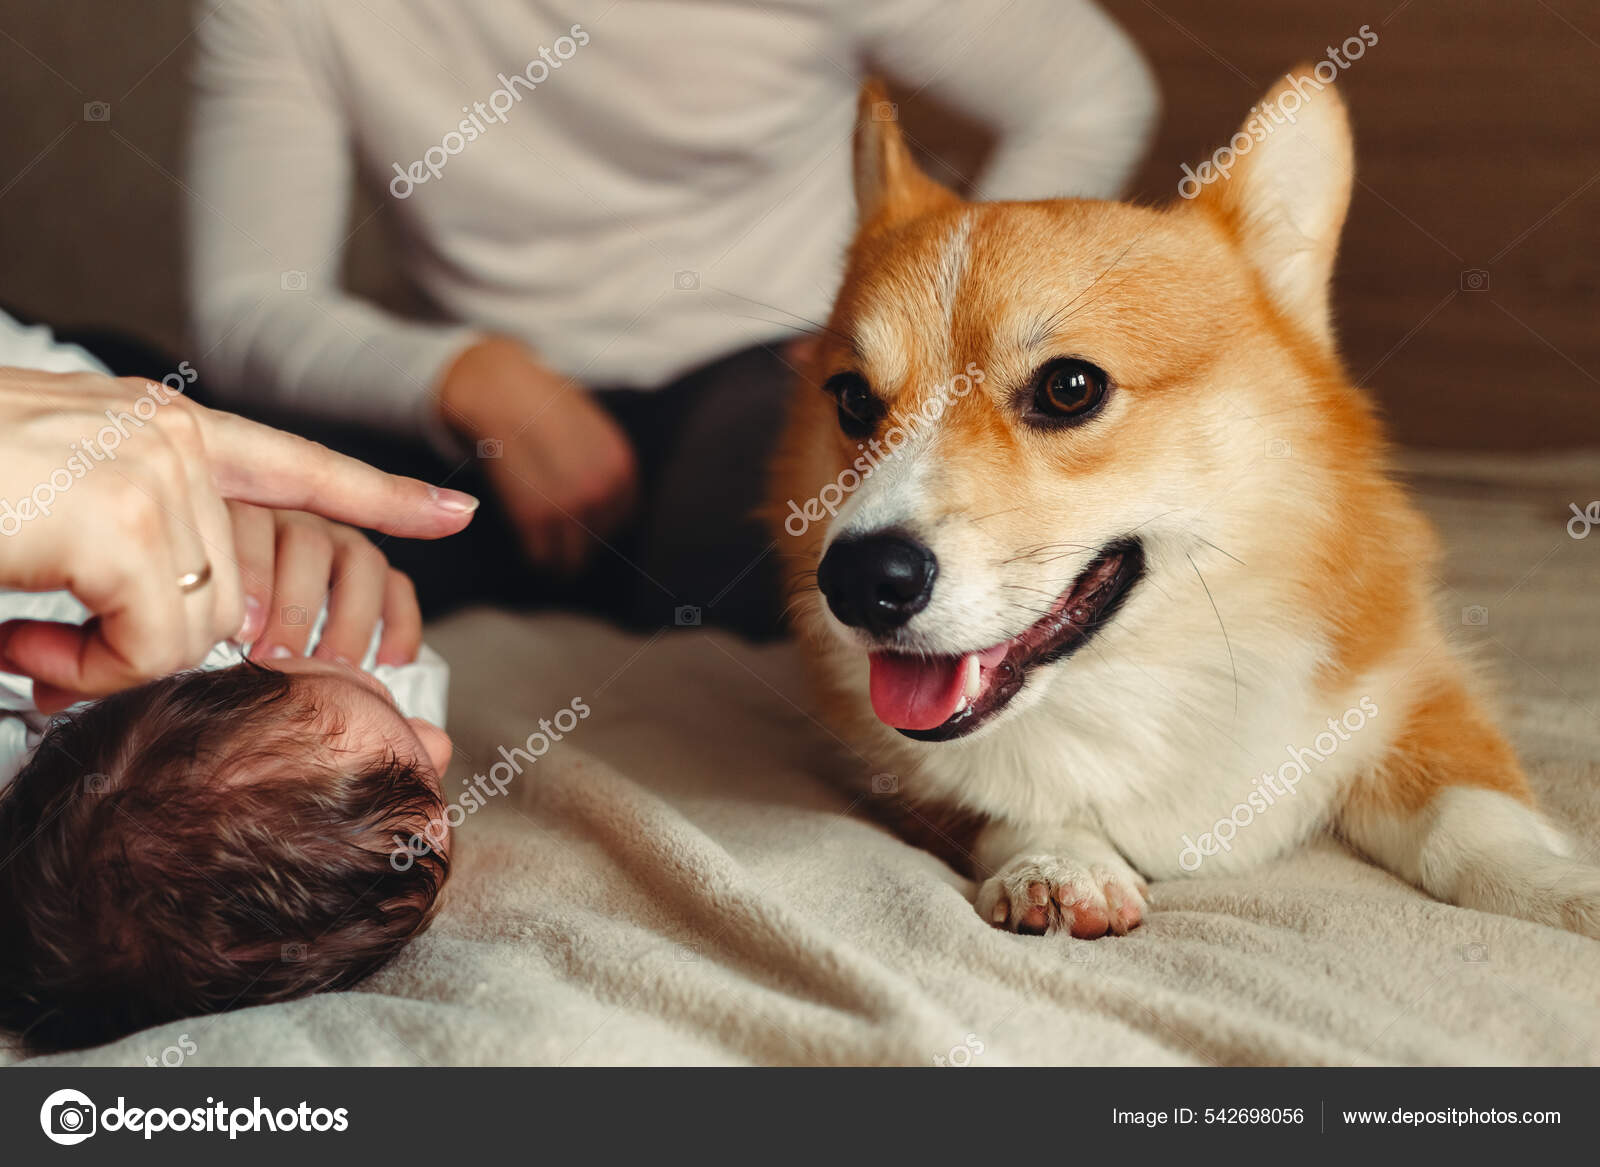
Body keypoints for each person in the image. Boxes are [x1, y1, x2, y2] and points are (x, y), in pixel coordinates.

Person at [185, 0, 1159, 634]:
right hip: (490, 419)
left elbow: (1089, 90)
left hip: (769, 365)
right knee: (199, 485)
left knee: (759, 541)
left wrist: (917, 332)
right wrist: (463, 375)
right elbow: (249, 304)